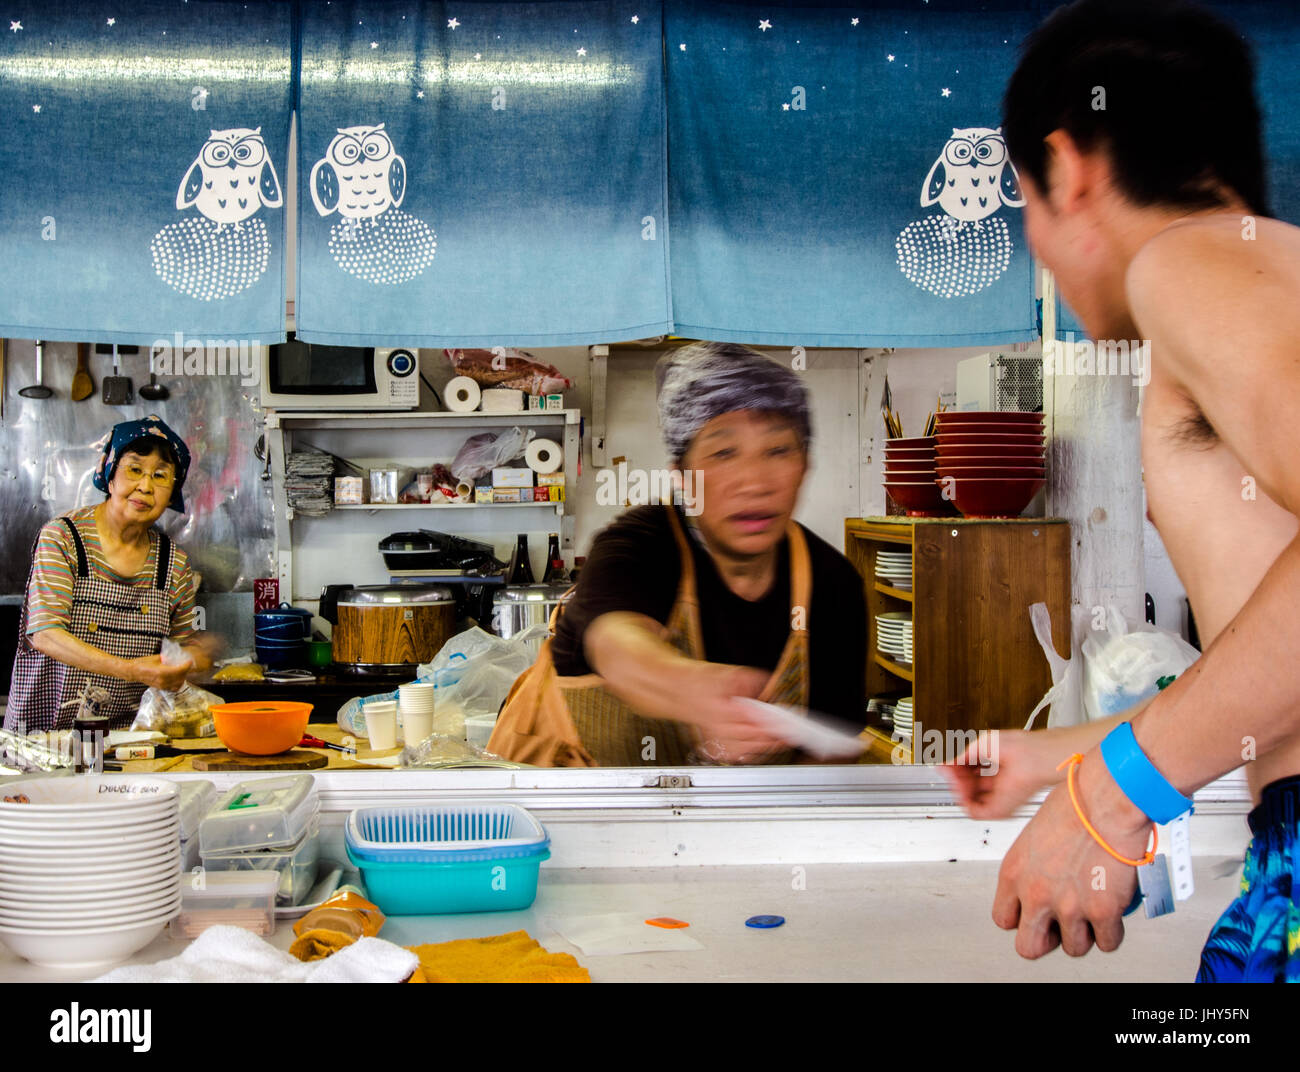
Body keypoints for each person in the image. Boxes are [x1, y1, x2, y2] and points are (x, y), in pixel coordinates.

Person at [942, 0, 1300, 981]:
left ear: (1069, 167)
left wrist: (1109, 790)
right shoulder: (1268, 272)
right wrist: (1066, 752)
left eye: (1023, 206)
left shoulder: (1187, 263)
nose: (1039, 255)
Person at [488, 341, 867, 766]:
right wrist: (689, 688)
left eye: (778, 450)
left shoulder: (834, 585)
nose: (754, 481)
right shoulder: (639, 543)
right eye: (723, 452)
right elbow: (618, 645)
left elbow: (830, 760)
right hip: (580, 815)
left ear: (806, 464)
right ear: (681, 477)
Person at [5, 415, 217, 732]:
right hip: (44, 738)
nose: (145, 486)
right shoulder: (63, 538)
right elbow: (45, 634)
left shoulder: (173, 565)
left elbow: (181, 647)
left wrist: (196, 658)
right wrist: (132, 669)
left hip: (126, 743)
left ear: (173, 490)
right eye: (134, 469)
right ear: (110, 474)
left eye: (160, 476)